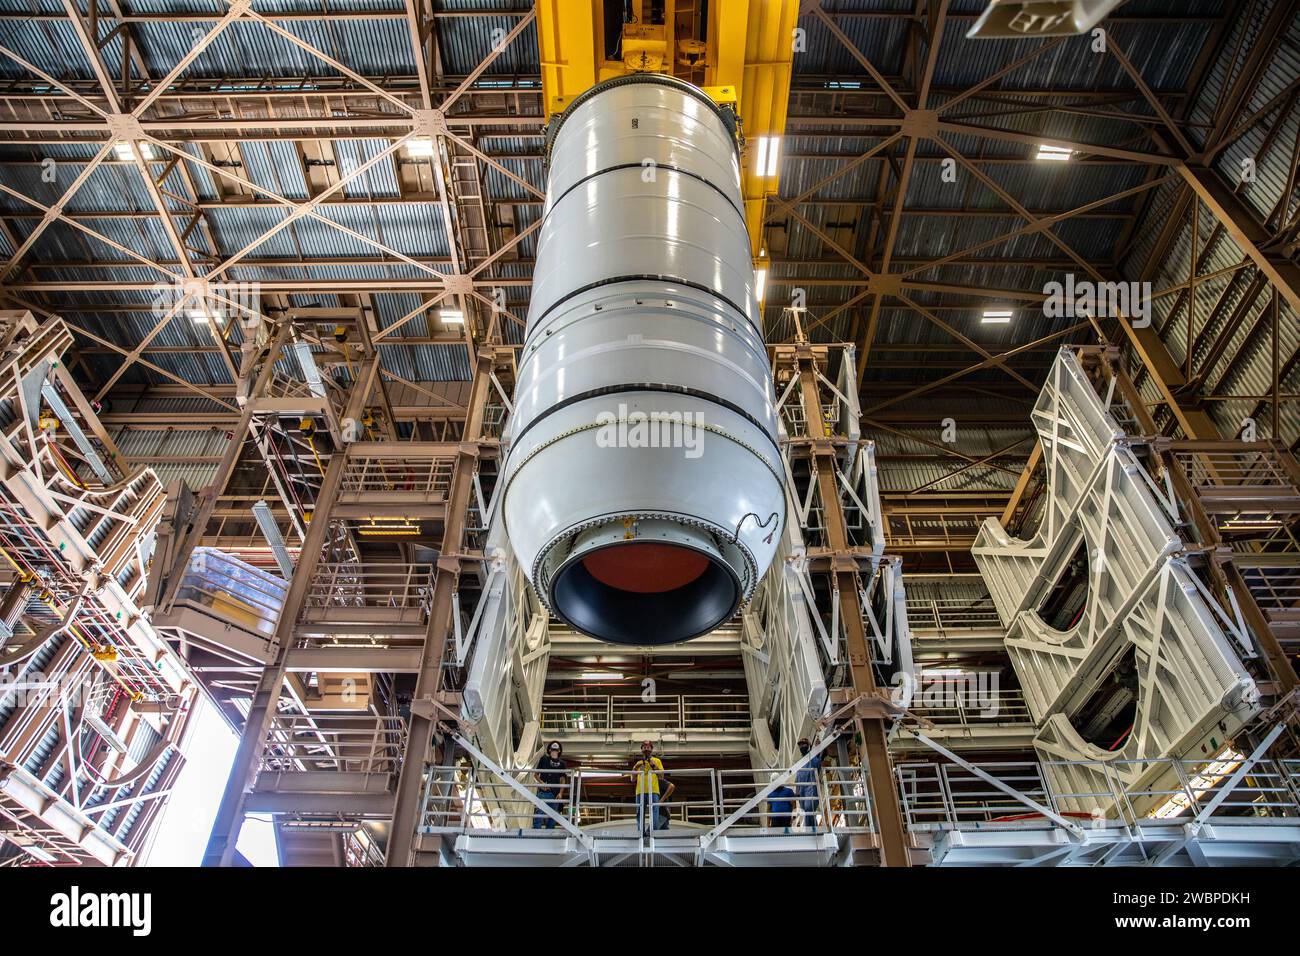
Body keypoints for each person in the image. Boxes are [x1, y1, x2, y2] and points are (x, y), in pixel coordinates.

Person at [532, 741, 567, 829]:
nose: (554, 752)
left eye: (556, 750)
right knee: (539, 813)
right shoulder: (544, 759)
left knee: (553, 816)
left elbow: (563, 779)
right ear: (549, 750)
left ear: (559, 751)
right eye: (552, 750)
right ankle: (536, 832)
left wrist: (560, 793)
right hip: (544, 791)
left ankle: (549, 832)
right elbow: (535, 775)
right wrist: (542, 783)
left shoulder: (562, 764)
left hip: (555, 794)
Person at [632, 740, 665, 836]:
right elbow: (632, 779)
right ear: (641, 749)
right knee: (639, 812)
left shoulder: (657, 761)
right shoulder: (638, 763)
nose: (646, 748)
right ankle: (641, 833)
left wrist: (653, 765)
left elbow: (661, 777)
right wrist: (635, 768)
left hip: (653, 791)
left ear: (652, 749)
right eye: (644, 747)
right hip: (640, 791)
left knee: (654, 812)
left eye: (648, 747)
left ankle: (651, 832)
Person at [795, 736, 823, 830]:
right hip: (802, 790)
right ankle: (812, 828)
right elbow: (797, 778)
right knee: (806, 810)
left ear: (808, 746)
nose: (802, 746)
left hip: (810, 787)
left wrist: (818, 748)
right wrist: (797, 791)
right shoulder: (800, 762)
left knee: (809, 807)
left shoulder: (812, 756)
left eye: (804, 744)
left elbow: (817, 763)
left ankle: (810, 829)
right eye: (800, 745)